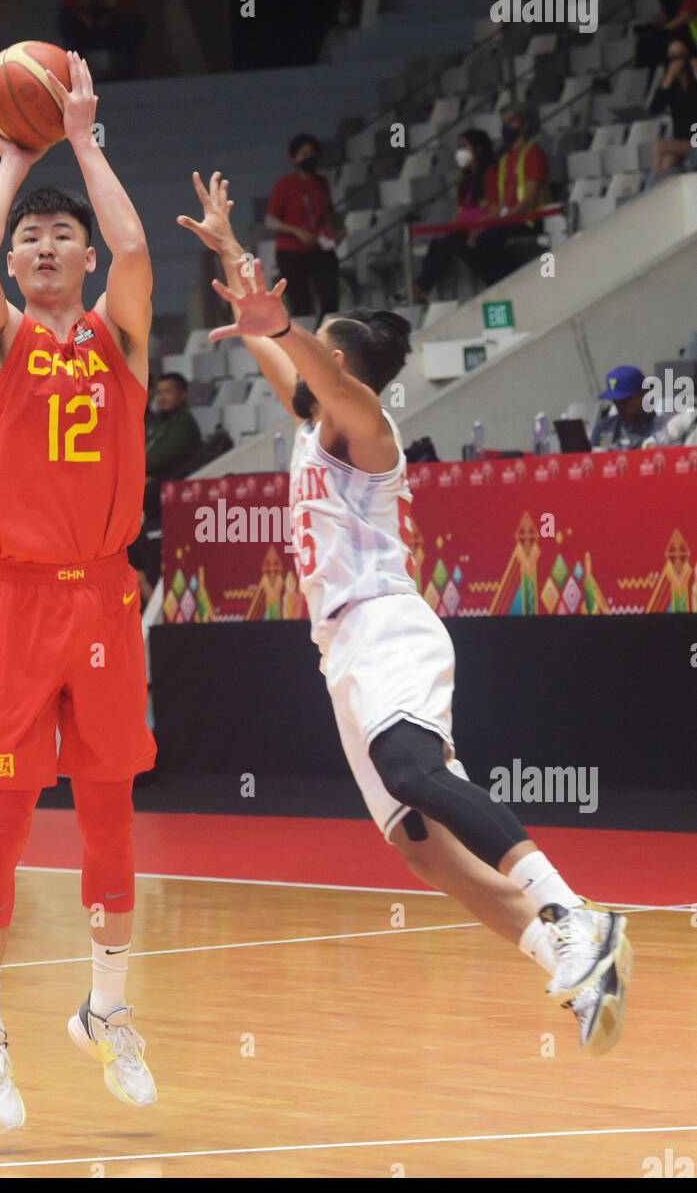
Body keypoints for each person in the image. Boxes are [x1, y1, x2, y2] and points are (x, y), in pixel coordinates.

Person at [180, 169, 633, 1059]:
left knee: (411, 765)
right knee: (418, 844)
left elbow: (315, 369)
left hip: (387, 622)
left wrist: (284, 329)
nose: (299, 369)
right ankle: (571, 958)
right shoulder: (313, 419)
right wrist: (235, 251)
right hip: (340, 653)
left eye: (315, 358)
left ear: (338, 367)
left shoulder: (368, 430)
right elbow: (282, 358)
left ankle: (570, 907)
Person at [0, 51, 156, 1133]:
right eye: (31, 233)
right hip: (18, 597)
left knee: (113, 811)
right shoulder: (0, 344)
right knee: (4, 814)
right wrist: (18, 160)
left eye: (57, 233)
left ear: (80, 256)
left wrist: (81, 141)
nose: (40, 244)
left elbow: (134, 242)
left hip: (107, 597)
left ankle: (106, 1010)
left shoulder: (122, 340)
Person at [129, 372, 203, 602]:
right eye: (159, 392)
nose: (162, 398)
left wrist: (136, 469)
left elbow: (157, 459)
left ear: (183, 395)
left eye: (169, 392)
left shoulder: (185, 424)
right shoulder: (156, 423)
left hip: (169, 499)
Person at [466, 104, 551, 287]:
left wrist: (501, 220)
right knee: (467, 240)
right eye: (504, 123)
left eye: (512, 122)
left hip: (532, 220)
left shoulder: (533, 153)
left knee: (489, 239)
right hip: (510, 220)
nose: (506, 127)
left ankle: (508, 285)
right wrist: (479, 225)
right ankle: (500, 284)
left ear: (525, 125)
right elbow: (500, 205)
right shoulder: (505, 160)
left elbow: (528, 200)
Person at [415, 129, 499, 302]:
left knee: (453, 242)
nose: (460, 151)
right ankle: (422, 288)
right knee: (438, 243)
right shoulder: (463, 178)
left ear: (478, 148)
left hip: (485, 225)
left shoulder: (490, 173)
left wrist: (476, 230)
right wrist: (450, 228)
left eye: (464, 146)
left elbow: (494, 207)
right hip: (465, 226)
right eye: (459, 147)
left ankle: (421, 287)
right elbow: (461, 210)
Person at [266, 134, 344, 319]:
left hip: (320, 248)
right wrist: (296, 231)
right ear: (294, 158)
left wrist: (338, 231)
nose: (309, 157)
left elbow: (329, 214)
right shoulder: (285, 184)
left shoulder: (322, 183)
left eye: (312, 153)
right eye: (303, 154)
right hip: (291, 251)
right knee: (300, 302)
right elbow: (271, 220)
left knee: (330, 297)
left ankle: (328, 335)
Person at [646, 40, 697, 184]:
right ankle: (657, 197)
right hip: (683, 142)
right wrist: (668, 78)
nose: (675, 62)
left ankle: (647, 195)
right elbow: (654, 109)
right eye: (671, 57)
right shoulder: (672, 85)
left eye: (678, 56)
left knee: (660, 146)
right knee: (667, 161)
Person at [590, 365, 664, 450]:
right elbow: (600, 457)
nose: (619, 406)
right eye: (616, 400)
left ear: (643, 394)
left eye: (625, 400)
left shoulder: (662, 426)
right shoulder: (606, 429)